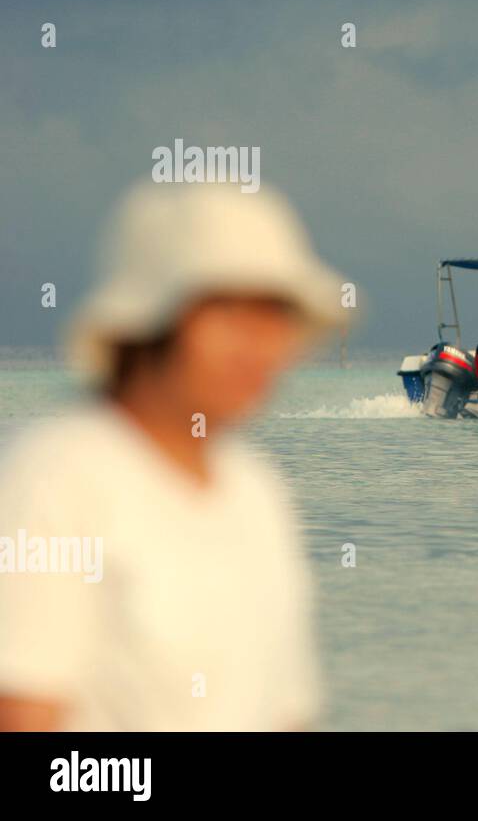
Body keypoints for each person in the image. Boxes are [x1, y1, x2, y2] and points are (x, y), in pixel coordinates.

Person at [0, 182, 345, 731]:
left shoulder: (257, 491)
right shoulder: (59, 477)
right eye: (226, 312)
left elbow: (283, 714)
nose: (257, 346)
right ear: (148, 324)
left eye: (274, 316)